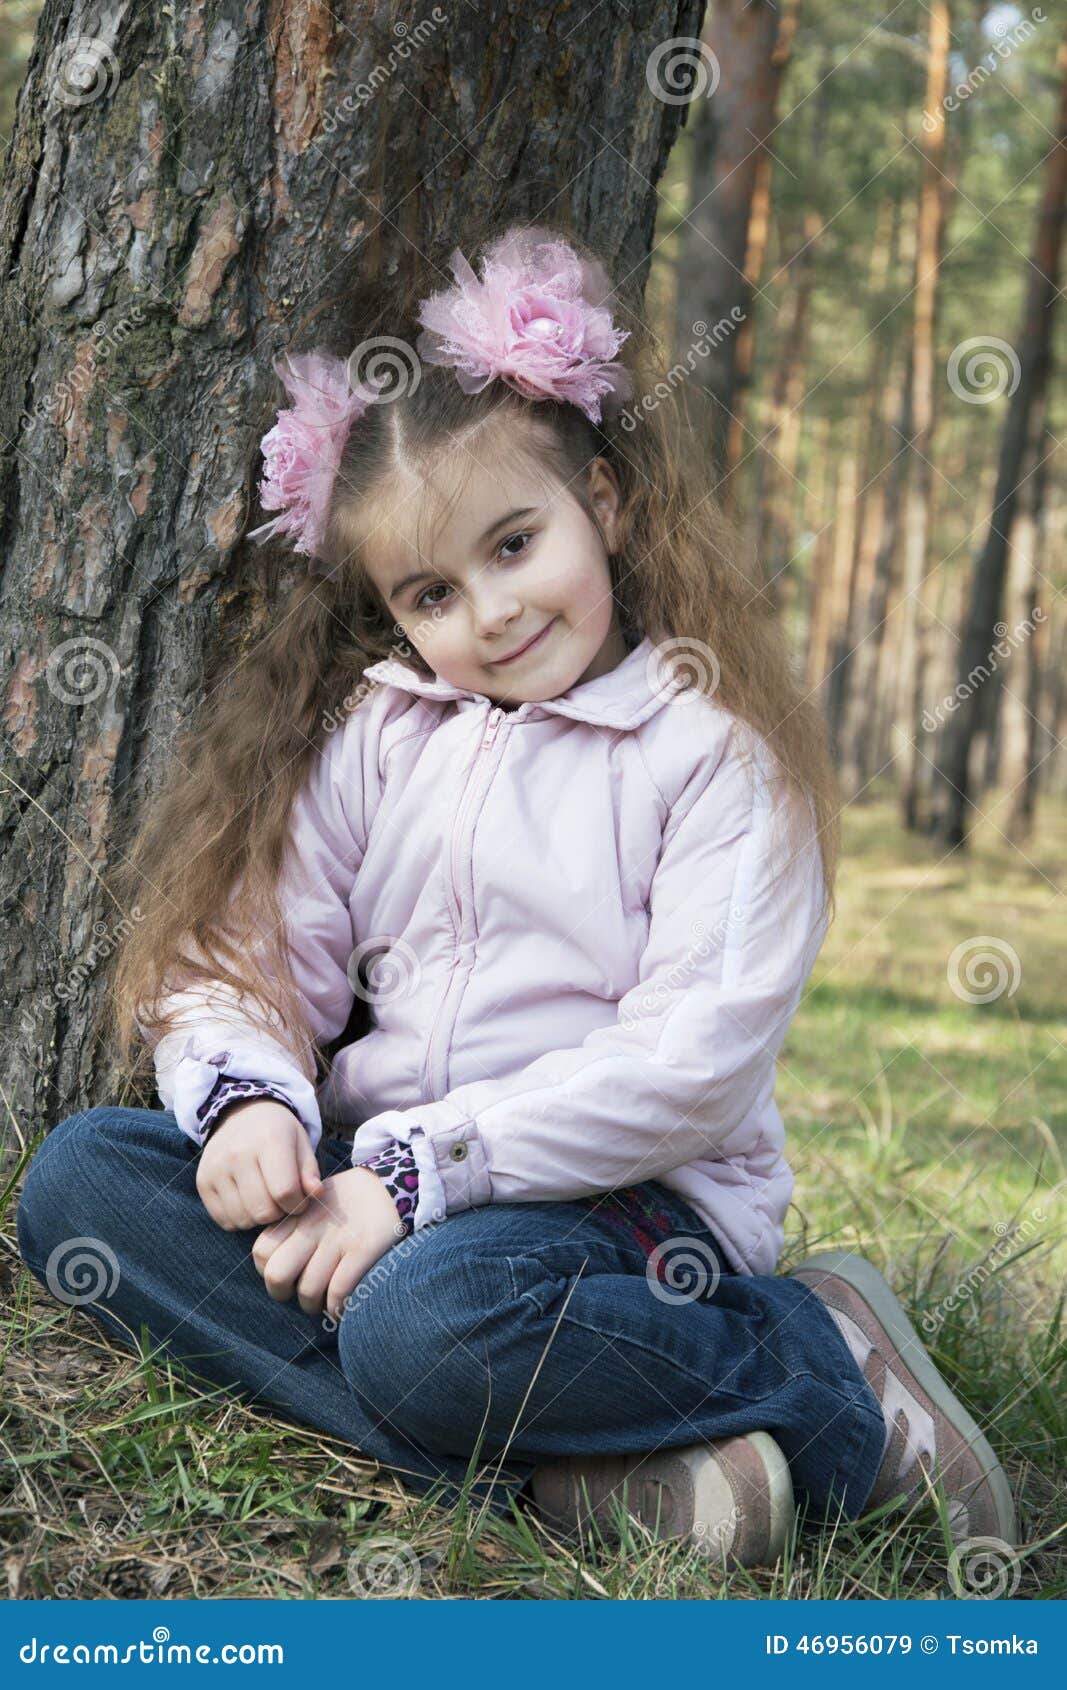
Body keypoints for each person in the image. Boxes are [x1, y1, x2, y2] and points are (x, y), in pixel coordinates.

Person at [16, 221, 1015, 1567]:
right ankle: (577, 1472)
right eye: (433, 591)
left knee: (424, 1323)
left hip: (620, 1208)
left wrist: (422, 1172)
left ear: (604, 504)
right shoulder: (382, 738)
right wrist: (250, 1096)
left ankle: (819, 1369)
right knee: (83, 1181)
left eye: (516, 543)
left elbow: (692, 1065)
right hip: (382, 1192)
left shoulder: (709, 755)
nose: (488, 611)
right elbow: (250, 949)